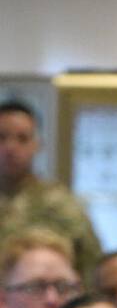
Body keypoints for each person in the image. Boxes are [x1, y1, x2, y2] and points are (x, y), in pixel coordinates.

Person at [0, 100, 102, 284]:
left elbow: (91, 264)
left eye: (22, 138)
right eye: (1, 138)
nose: (10, 148)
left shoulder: (61, 203)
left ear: (37, 145)